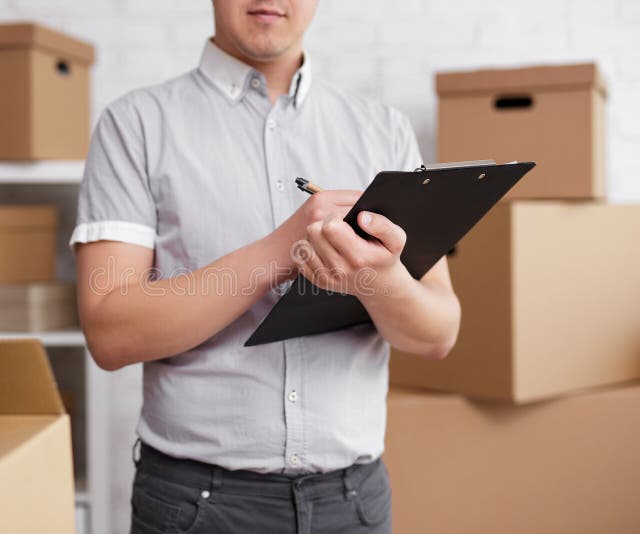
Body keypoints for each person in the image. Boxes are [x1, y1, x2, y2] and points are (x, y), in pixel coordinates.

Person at [72, 1, 461, 532]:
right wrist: (283, 249)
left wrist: (380, 277)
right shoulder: (135, 124)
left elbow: (438, 333)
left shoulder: (384, 131)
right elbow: (111, 335)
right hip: (197, 507)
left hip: (353, 506)